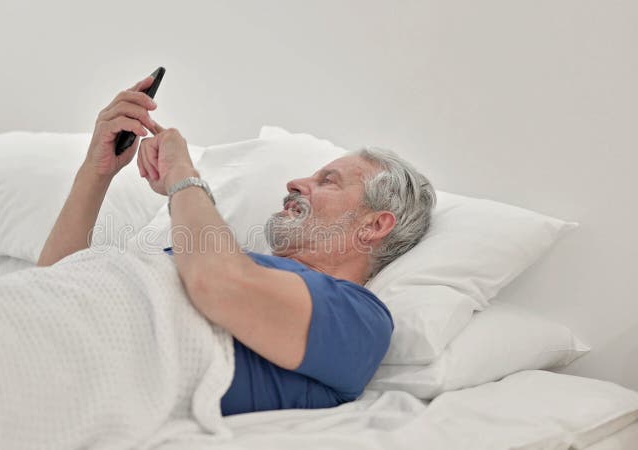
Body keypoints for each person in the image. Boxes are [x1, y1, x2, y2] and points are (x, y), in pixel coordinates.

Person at [37, 75, 436, 416]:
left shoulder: (360, 319)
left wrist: (182, 173)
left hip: (60, 371)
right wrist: (97, 169)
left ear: (375, 225)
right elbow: (54, 288)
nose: (295, 184)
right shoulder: (225, 261)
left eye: (328, 181)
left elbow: (219, 284)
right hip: (41, 329)